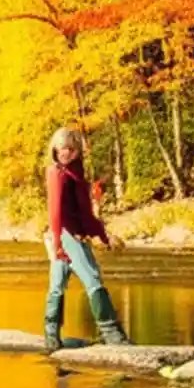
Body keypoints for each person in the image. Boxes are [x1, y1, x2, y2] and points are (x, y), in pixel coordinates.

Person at [43, 127, 131, 351]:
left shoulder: (75, 174)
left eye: (72, 148)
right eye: (63, 147)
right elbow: (55, 211)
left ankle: (51, 335)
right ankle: (111, 333)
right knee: (92, 279)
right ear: (55, 148)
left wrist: (103, 235)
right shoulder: (56, 173)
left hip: (71, 233)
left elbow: (85, 214)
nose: (67, 152)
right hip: (64, 233)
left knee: (57, 285)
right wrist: (58, 242)